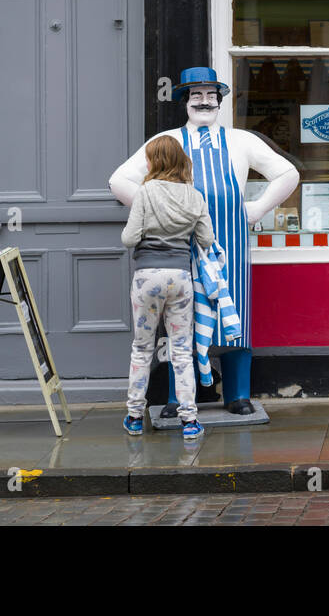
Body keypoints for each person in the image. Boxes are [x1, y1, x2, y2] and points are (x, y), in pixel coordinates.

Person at [110, 66, 299, 418]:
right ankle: (177, 398)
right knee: (179, 318)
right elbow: (119, 180)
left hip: (231, 243)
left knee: (235, 314)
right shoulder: (167, 142)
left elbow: (288, 173)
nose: (204, 101)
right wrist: (157, 209)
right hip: (180, 246)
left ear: (220, 100)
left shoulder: (243, 141)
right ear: (184, 100)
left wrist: (256, 209)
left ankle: (238, 394)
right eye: (196, 94)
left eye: (211, 94)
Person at [120, 134, 214, 441]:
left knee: (142, 348)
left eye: (149, 157)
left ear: (156, 161)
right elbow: (207, 239)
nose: (146, 162)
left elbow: (129, 238)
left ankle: (134, 416)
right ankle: (189, 422)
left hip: (147, 278)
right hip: (179, 278)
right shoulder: (194, 195)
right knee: (182, 352)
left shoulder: (146, 192)